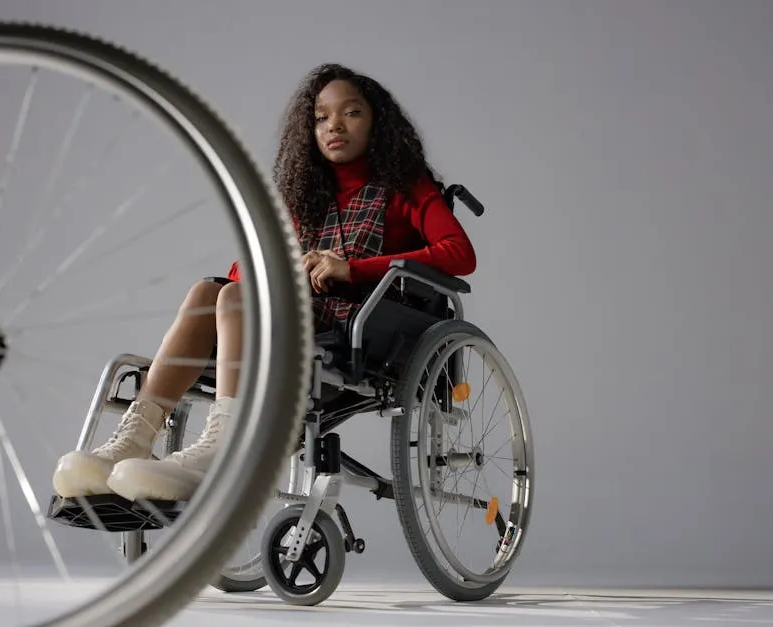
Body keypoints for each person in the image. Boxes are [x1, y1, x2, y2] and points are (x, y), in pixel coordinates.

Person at [51, 63, 477, 503]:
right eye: (321, 117)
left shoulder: (406, 187)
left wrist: (353, 268)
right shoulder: (305, 193)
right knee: (207, 292)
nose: (334, 126)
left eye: (351, 113)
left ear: (377, 124)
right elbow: (248, 265)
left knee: (235, 296)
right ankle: (132, 441)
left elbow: (459, 254)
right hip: (289, 320)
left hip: (358, 332)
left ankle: (225, 448)